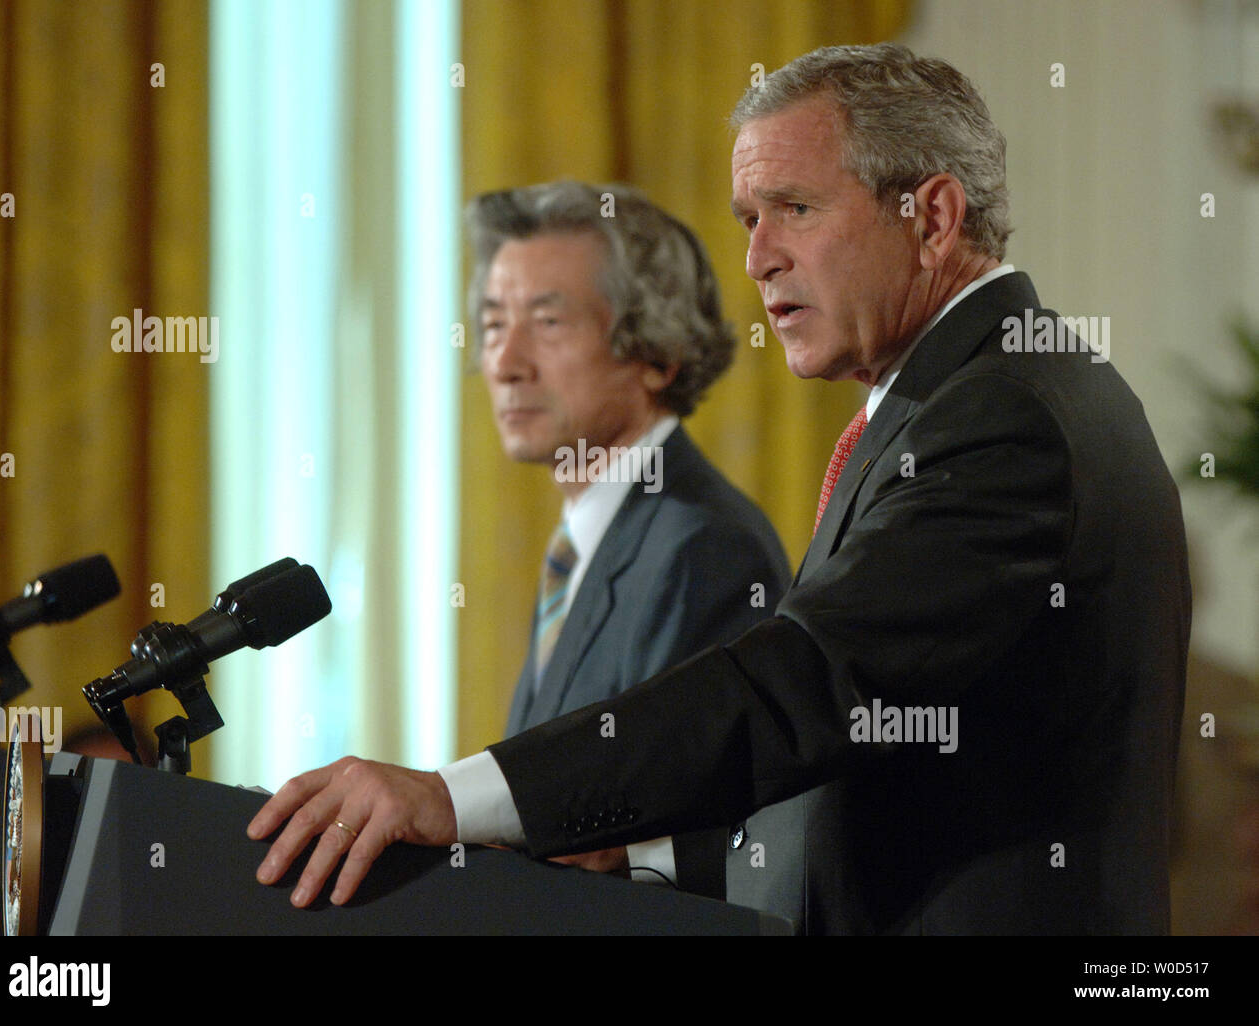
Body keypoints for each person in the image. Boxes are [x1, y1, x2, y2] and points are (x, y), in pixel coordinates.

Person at [248, 43, 1190, 935]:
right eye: (750, 220)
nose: (758, 259)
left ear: (933, 218)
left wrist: (449, 797)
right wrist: (646, 848)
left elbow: (805, 687)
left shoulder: (1003, 418)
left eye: (797, 210)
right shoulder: (969, 396)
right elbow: (866, 759)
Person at [465, 181, 798, 908]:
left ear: (657, 351)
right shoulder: (583, 544)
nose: (505, 361)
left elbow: (691, 842)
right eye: (492, 325)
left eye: (547, 323)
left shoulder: (700, 548)